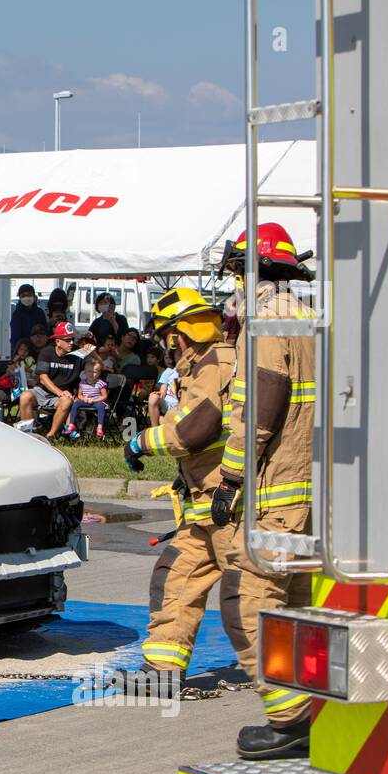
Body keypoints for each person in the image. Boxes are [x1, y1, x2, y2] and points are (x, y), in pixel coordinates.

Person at [210, 222, 318, 759]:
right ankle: (309, 713)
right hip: (309, 503)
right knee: (295, 611)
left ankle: (290, 721)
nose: (232, 284)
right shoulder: (306, 319)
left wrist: (229, 477)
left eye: (235, 271)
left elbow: (260, 409)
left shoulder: (267, 322)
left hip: (276, 501)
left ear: (251, 272)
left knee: (247, 604)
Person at [111, 287, 236, 704]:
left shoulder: (215, 366)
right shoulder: (204, 366)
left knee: (252, 598)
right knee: (174, 578)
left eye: (167, 337)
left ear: (178, 335)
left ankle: (291, 692)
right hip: (208, 507)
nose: (165, 348)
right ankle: (162, 672)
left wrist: (140, 442)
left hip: (232, 506)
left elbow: (191, 431)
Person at [16, 320, 81, 437]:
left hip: (62, 396)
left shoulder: (78, 354)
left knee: (66, 401)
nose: (71, 342)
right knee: (25, 396)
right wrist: (60, 392)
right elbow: (43, 378)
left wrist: (91, 351)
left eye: (72, 339)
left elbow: (98, 366)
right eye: (67, 340)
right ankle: (28, 435)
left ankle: (50, 436)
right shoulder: (46, 353)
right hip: (43, 391)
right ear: (58, 341)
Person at [61, 356, 108, 439]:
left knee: (101, 406)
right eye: (89, 371)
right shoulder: (82, 383)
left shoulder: (100, 383)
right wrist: (84, 399)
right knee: (75, 404)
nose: (92, 374)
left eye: (95, 372)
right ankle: (71, 425)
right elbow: (79, 395)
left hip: (96, 402)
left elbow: (104, 396)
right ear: (85, 372)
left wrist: (95, 400)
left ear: (99, 373)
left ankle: (100, 427)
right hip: (86, 401)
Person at [9, 284, 47, 352]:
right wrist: (18, 351)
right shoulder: (17, 314)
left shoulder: (39, 312)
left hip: (38, 349)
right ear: (20, 297)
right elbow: (15, 336)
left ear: (34, 296)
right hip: (24, 351)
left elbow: (45, 330)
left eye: (29, 295)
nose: (26, 298)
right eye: (23, 296)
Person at [150, 350, 180, 425]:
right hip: (167, 403)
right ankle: (155, 430)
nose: (169, 361)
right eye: (166, 358)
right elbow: (163, 391)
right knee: (153, 397)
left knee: (162, 419)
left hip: (180, 404)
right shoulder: (168, 371)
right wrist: (159, 394)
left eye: (170, 358)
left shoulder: (187, 371)